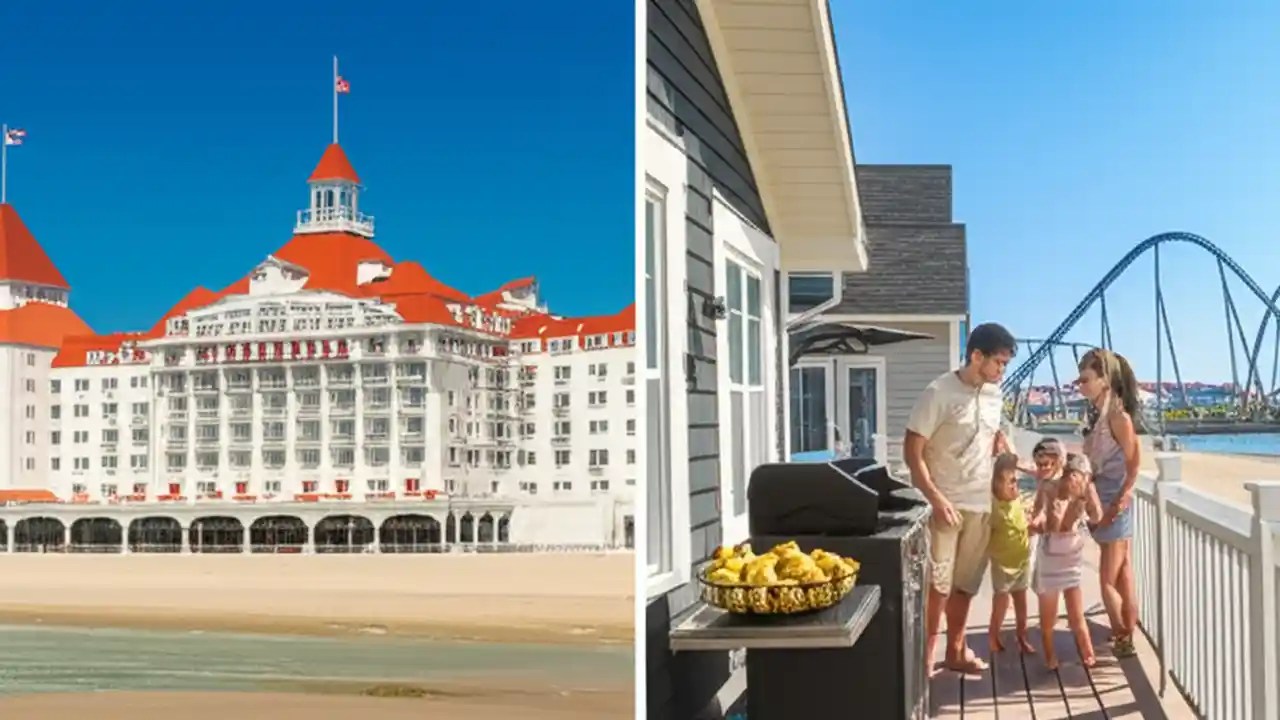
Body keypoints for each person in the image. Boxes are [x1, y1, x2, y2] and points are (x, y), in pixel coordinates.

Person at [905, 322, 1016, 674]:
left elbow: (992, 434)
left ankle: (956, 652)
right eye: (998, 362)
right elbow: (912, 452)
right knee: (937, 588)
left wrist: (1002, 446)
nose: (1002, 370)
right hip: (945, 505)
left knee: (965, 585)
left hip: (980, 504)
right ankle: (924, 660)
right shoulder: (938, 392)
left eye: (1006, 364)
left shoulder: (995, 395)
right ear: (976, 355)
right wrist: (936, 500)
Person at [1077, 348, 1142, 658]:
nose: (1081, 385)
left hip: (1113, 501)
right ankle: (1128, 628)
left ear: (1105, 380)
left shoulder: (1117, 416)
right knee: (1122, 570)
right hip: (1101, 498)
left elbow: (1134, 462)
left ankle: (1123, 638)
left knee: (1106, 580)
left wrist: (1122, 498)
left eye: (1086, 379)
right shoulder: (1098, 414)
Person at [1031, 452, 1103, 669]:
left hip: (1066, 556)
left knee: (1070, 613)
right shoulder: (1052, 488)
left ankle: (1081, 651)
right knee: (1056, 615)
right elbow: (1052, 523)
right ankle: (1059, 653)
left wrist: (1086, 497)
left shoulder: (1080, 490)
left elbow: (1097, 516)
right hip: (1056, 555)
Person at [987, 452, 1037, 655]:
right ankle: (993, 634)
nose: (1015, 485)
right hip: (1002, 562)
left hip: (1022, 559)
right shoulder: (994, 507)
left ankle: (1022, 636)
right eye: (1010, 482)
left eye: (1016, 481)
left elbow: (1023, 525)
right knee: (1001, 600)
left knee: (1021, 601)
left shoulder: (1018, 501)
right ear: (998, 484)